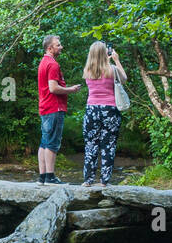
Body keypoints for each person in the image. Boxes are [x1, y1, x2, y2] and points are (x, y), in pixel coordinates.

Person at [36, 34, 82, 184]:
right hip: (53, 107)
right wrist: (72, 89)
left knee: (44, 142)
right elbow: (53, 88)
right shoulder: (53, 64)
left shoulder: (43, 62)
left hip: (45, 107)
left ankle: (42, 177)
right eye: (58, 45)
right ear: (50, 48)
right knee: (52, 143)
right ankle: (50, 176)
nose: (61, 47)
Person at [81, 42, 127, 187]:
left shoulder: (87, 70)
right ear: (105, 53)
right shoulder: (112, 69)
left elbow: (99, 69)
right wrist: (116, 60)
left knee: (91, 144)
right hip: (110, 110)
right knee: (108, 145)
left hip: (92, 110)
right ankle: (104, 181)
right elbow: (124, 79)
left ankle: (88, 180)